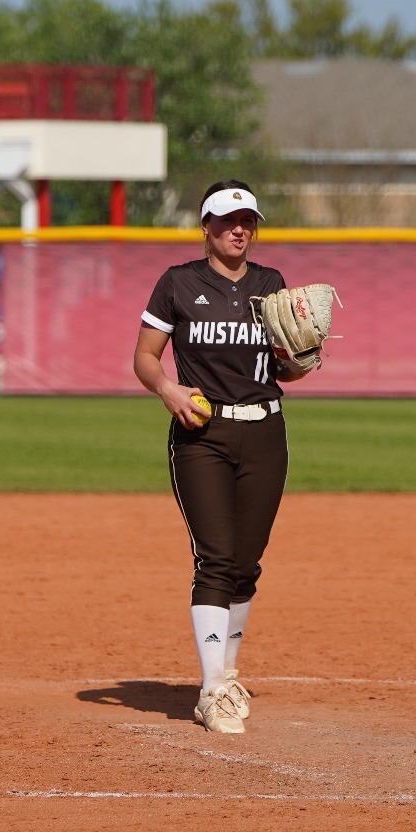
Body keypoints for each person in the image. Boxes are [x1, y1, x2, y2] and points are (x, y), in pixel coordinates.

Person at [132, 181, 310, 734]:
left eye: (248, 220)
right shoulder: (179, 283)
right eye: (229, 220)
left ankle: (226, 671)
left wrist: (303, 360)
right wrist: (167, 390)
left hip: (265, 433)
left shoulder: (270, 284)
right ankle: (212, 690)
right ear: (206, 226)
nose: (240, 229)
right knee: (215, 557)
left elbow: (283, 369)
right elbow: (144, 355)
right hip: (201, 435)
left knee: (245, 563)